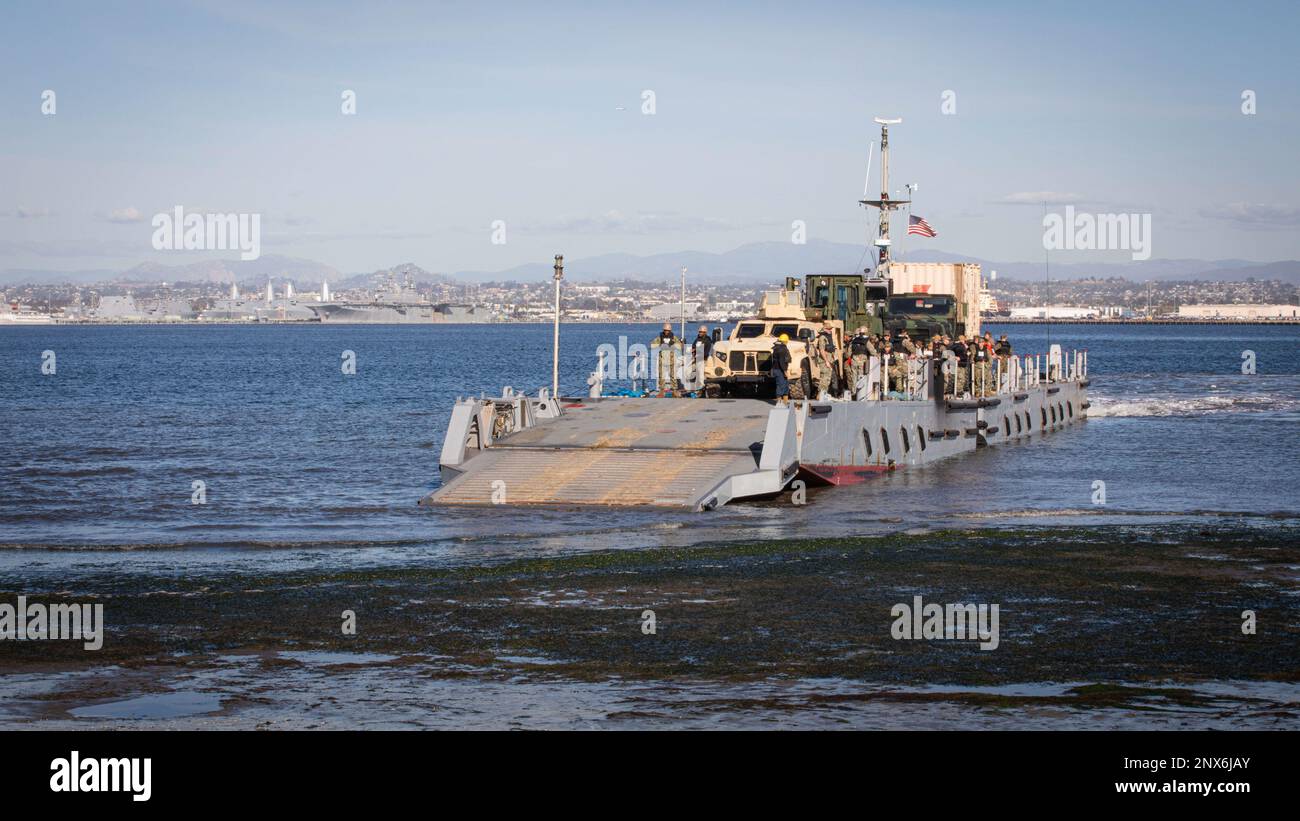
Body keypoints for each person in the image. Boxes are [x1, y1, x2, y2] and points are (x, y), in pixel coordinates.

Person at [650, 322, 680, 390]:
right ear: (663, 330)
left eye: (668, 330)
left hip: (671, 360)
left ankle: (674, 390)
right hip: (662, 360)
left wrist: (673, 345)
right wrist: (659, 345)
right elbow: (652, 345)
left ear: (670, 331)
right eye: (665, 330)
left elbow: (680, 346)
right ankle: (661, 390)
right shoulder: (660, 338)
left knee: (673, 376)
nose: (666, 332)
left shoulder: (674, 338)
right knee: (662, 376)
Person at [847, 326, 875, 394]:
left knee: (854, 376)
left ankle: (854, 392)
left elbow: (849, 353)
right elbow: (872, 351)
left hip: (854, 360)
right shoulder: (866, 341)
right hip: (862, 361)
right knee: (861, 376)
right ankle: (861, 392)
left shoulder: (853, 341)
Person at [814, 326, 839, 395]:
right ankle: (821, 394)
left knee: (828, 378)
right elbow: (822, 350)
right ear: (824, 329)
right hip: (824, 360)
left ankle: (823, 394)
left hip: (830, 359)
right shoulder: (822, 337)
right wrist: (826, 361)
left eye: (830, 329)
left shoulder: (828, 337)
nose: (830, 330)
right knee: (824, 378)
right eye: (828, 329)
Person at [770, 333, 792, 403]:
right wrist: (785, 371)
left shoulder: (778, 347)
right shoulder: (782, 349)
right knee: (781, 385)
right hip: (780, 370)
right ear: (785, 341)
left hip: (778, 369)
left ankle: (785, 401)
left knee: (785, 385)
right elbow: (782, 361)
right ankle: (779, 402)